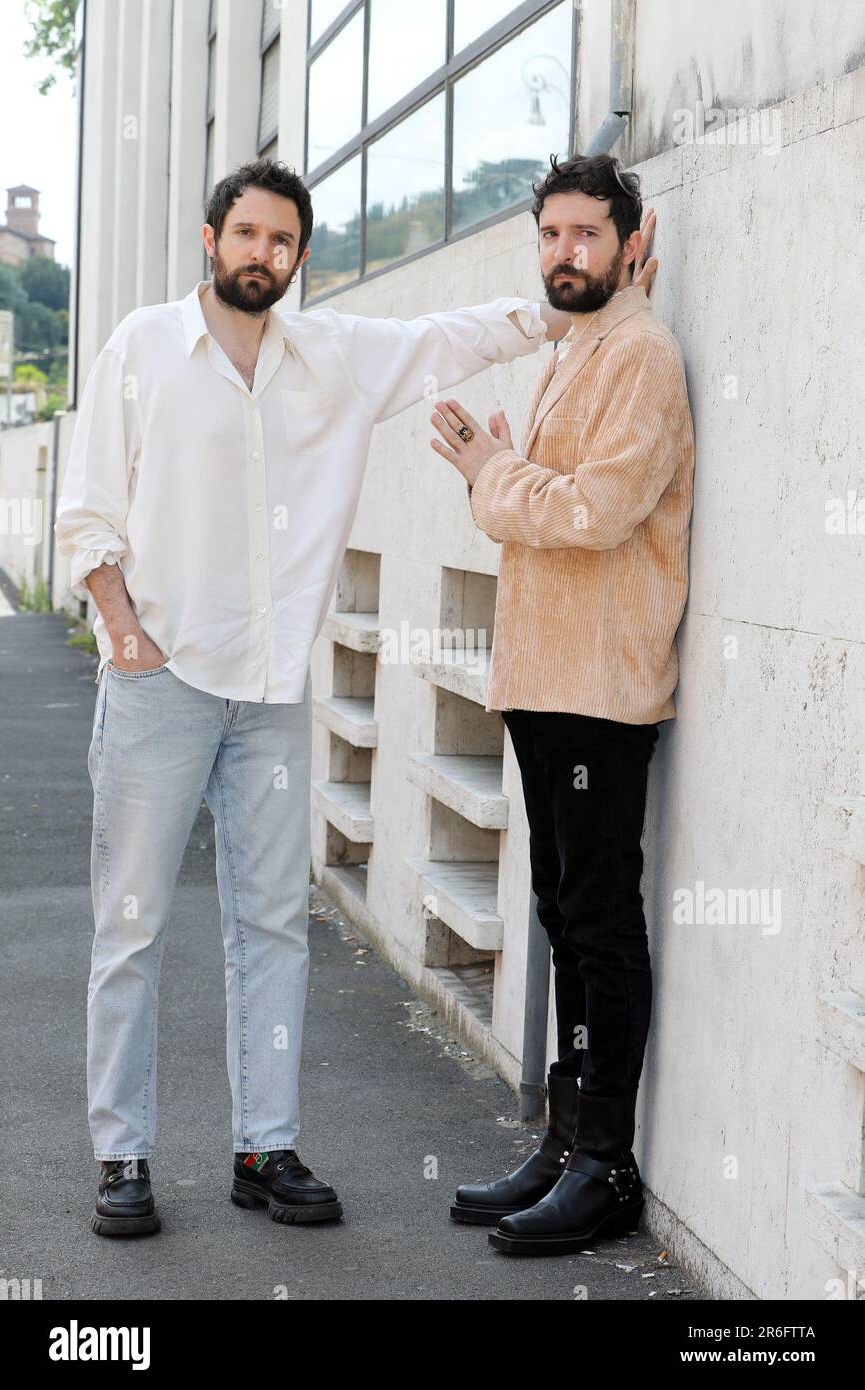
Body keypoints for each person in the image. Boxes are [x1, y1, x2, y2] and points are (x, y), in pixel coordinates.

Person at [56, 157, 659, 1237]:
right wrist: (126, 633)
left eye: (282, 242)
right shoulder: (142, 347)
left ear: (298, 255)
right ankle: (124, 1155)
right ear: (212, 239)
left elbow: (444, 337)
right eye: (246, 236)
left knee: (272, 925)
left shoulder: (329, 356)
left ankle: (265, 1146)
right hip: (161, 681)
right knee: (133, 928)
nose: (263, 256)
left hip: (272, 690)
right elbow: (89, 511)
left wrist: (570, 299)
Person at [433, 153, 695, 1256]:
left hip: (596, 685)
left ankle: (604, 1163)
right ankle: (561, 1137)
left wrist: (491, 470)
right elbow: (545, 506)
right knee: (557, 914)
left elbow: (594, 510)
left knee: (594, 920)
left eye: (585, 235)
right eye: (549, 235)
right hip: (544, 677)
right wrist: (495, 468)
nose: (563, 254)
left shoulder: (639, 353)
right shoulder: (569, 345)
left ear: (633, 244)